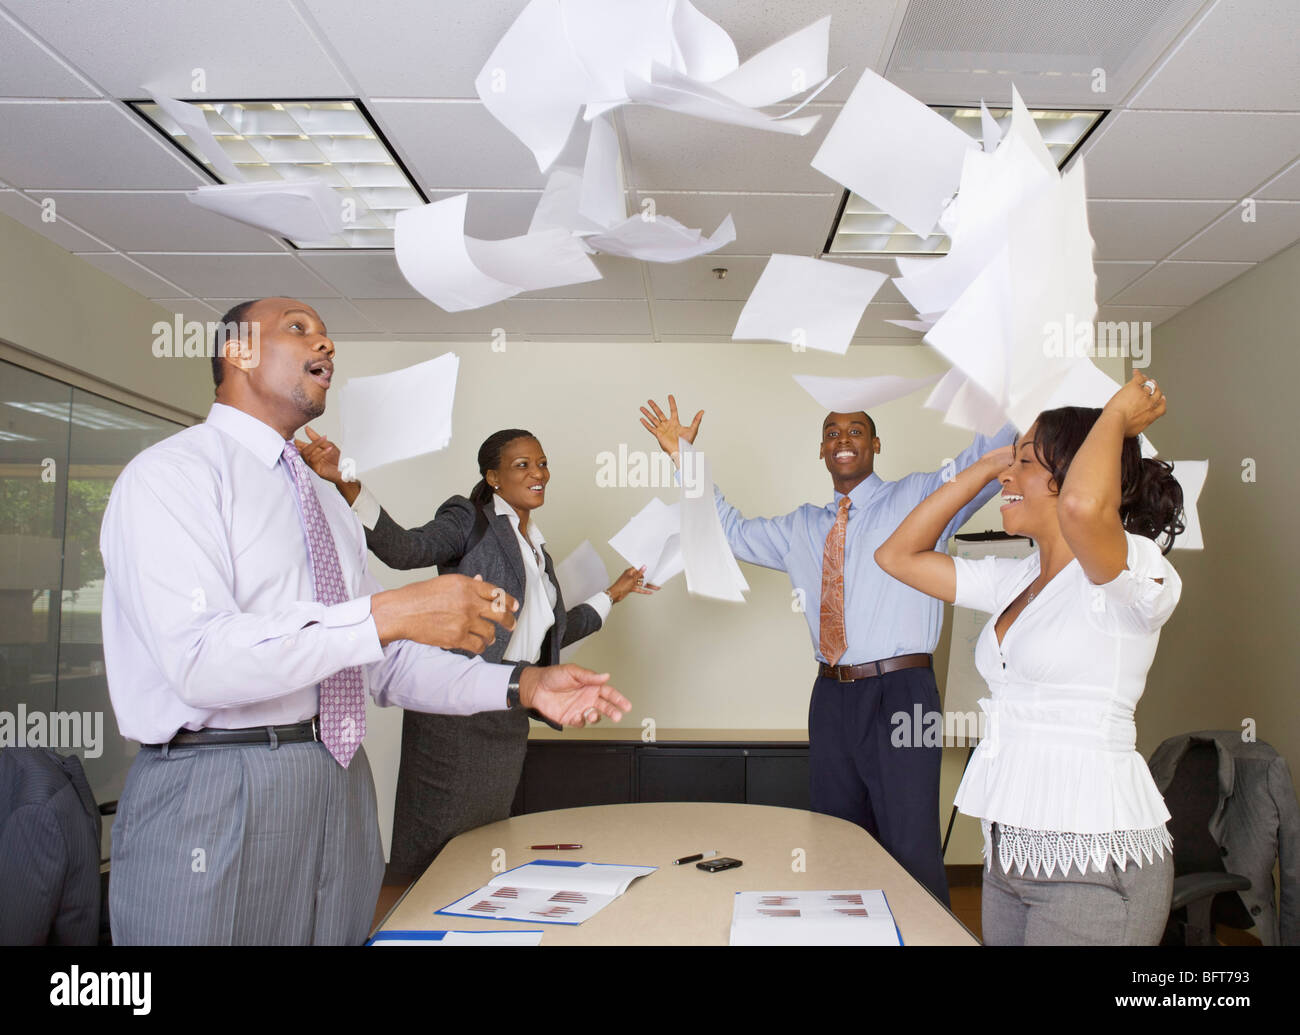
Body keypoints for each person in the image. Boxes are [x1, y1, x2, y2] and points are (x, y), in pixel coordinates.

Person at [99, 297, 630, 945]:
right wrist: (388, 612)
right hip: (220, 780)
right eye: (299, 329)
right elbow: (200, 660)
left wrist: (522, 685)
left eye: (326, 333)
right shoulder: (171, 477)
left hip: (340, 777)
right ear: (237, 351)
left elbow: (382, 660)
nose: (324, 344)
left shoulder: (322, 498)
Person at [640, 395, 1016, 904]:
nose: (844, 439)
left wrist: (1021, 382)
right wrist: (684, 456)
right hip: (832, 695)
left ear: (876, 444)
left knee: (910, 841)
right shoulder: (802, 527)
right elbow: (726, 531)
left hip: (904, 694)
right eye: (833, 432)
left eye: (856, 430)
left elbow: (985, 459)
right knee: (837, 838)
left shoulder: (920, 496)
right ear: (821, 450)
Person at [874, 370, 1184, 945]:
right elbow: (897, 555)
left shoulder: (1133, 573)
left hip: (1092, 861)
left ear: (1070, 477)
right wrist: (994, 467)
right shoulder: (1017, 579)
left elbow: (1087, 508)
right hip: (1010, 852)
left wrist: (1113, 418)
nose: (1008, 479)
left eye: (1028, 463)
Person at [296, 425, 657, 881]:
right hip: (455, 715)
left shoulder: (537, 552)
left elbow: (554, 632)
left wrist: (614, 593)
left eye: (542, 463)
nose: (538, 472)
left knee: (484, 847)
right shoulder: (469, 519)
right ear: (493, 477)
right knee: (436, 848)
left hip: (507, 712)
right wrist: (344, 479)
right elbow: (405, 549)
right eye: (522, 464)